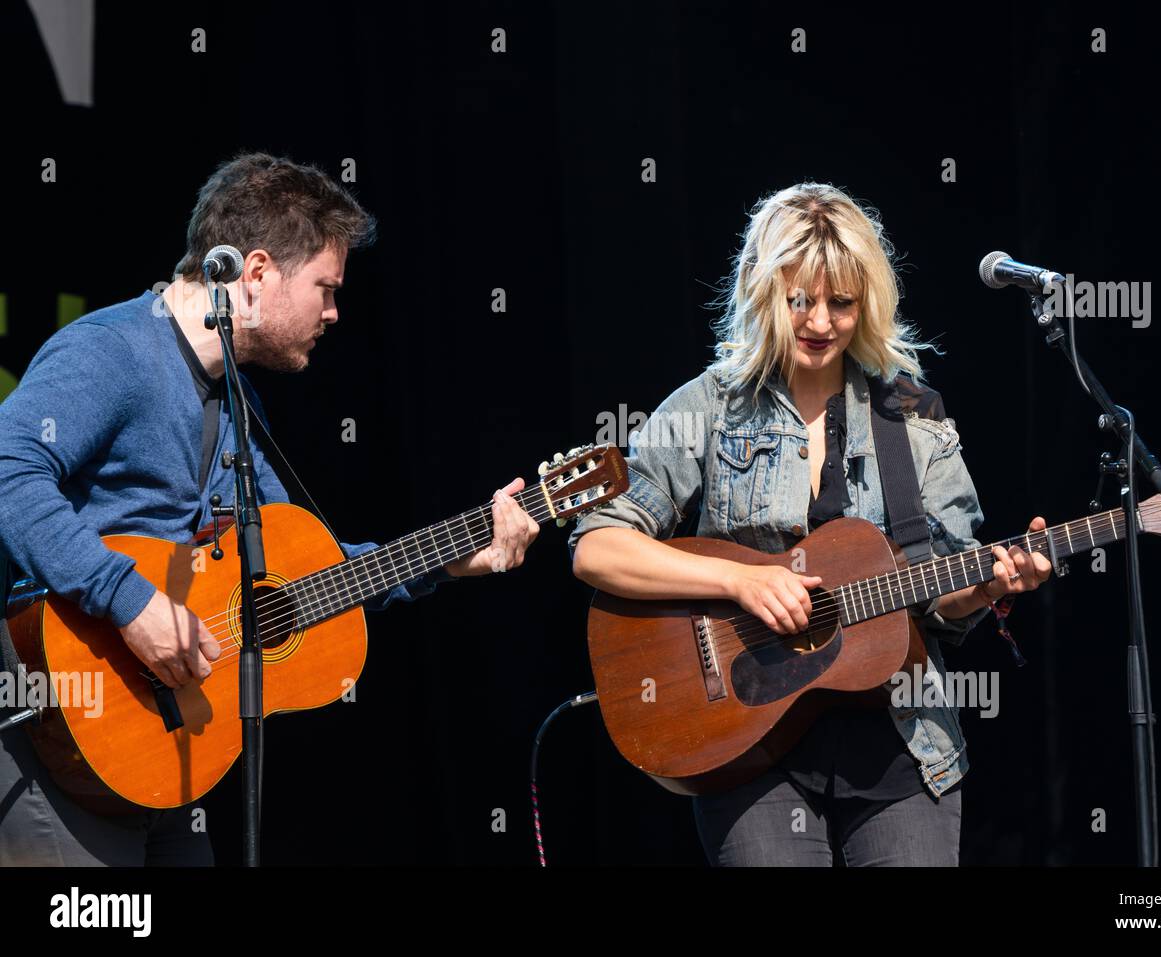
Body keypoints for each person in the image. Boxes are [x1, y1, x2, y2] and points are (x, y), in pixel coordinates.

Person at [0, 153, 539, 865]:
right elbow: (8, 470)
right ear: (255, 275)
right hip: (61, 730)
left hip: (165, 748)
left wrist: (451, 558)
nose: (335, 312)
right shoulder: (113, 351)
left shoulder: (240, 406)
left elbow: (299, 573)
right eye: (326, 287)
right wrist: (132, 602)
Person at [570, 183, 1052, 866]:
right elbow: (597, 545)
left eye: (843, 303)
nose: (821, 321)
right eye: (801, 300)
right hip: (747, 744)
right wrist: (743, 582)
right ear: (764, 293)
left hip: (902, 744)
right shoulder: (709, 406)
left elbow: (939, 597)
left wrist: (984, 586)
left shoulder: (914, 413)